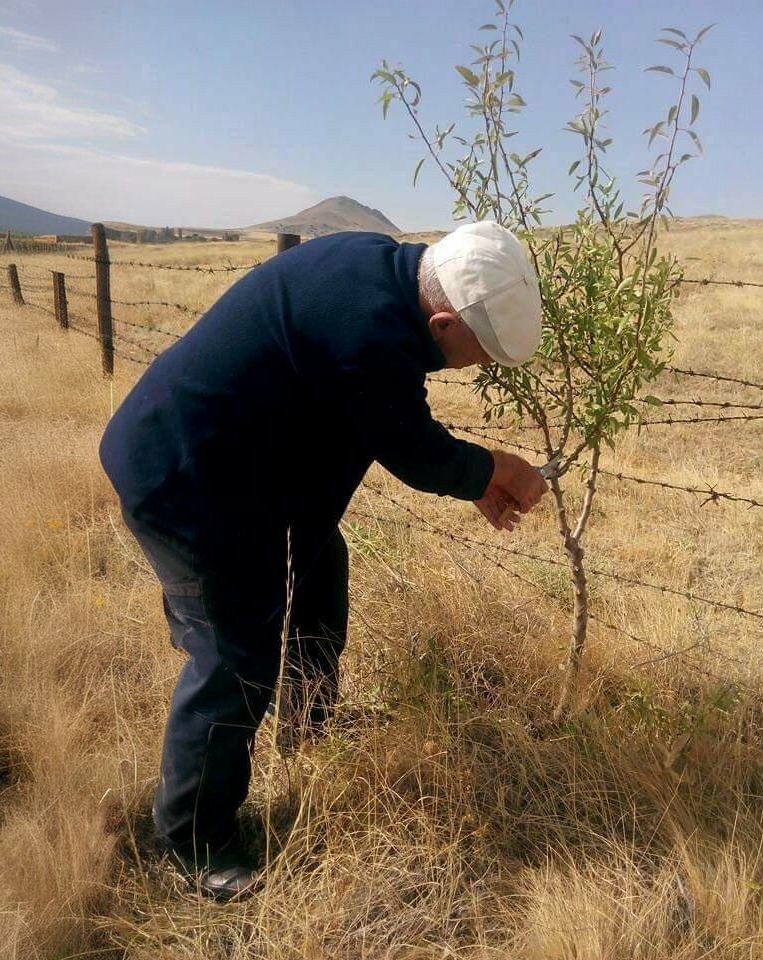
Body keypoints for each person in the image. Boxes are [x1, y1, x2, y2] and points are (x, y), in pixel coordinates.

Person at [99, 220, 548, 900]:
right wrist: (494, 469)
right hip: (183, 475)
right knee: (231, 657)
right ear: (447, 321)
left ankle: (307, 720)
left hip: (241, 465)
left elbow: (357, 417)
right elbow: (415, 448)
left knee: (318, 562)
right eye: (481, 355)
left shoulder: (374, 262)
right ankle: (192, 840)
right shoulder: (370, 333)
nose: (479, 368)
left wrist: (478, 475)